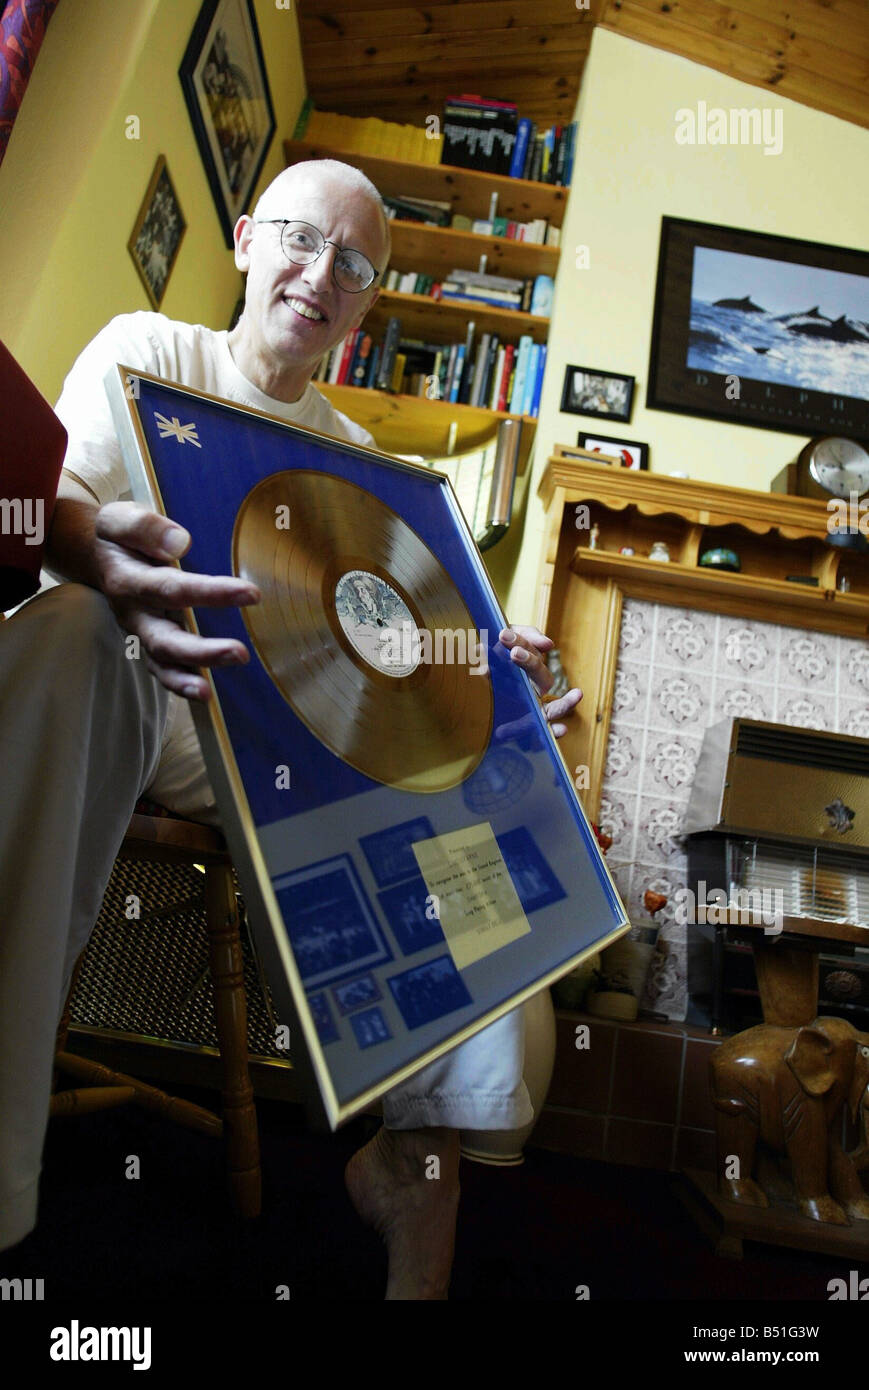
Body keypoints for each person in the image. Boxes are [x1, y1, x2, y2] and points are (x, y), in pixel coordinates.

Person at [0, 159, 580, 1298]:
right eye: (303, 240)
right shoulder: (146, 351)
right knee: (76, 629)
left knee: (457, 791)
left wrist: (488, 684)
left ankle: (419, 1176)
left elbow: (387, 671)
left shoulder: (370, 468)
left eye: (354, 266)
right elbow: (37, 519)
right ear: (245, 235)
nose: (321, 275)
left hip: (276, 737)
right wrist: (114, 575)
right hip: (138, 687)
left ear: (368, 304)